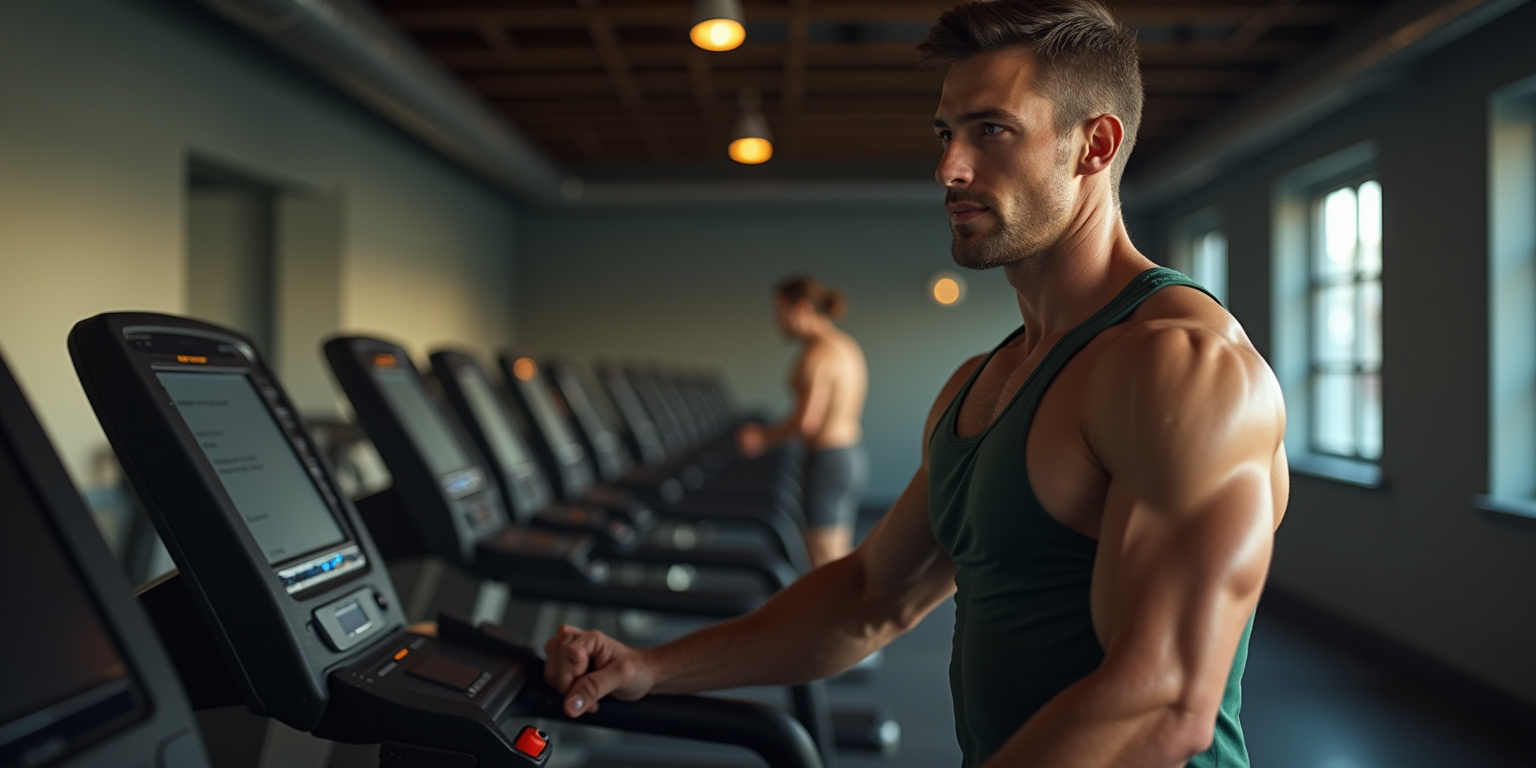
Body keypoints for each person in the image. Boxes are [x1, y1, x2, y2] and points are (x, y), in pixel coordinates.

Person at [543, 2, 1288, 766]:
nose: (949, 169)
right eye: (945, 134)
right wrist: (651, 666)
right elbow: (871, 597)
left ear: (1093, 145)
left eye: (991, 130)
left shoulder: (1183, 367)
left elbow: (1163, 703)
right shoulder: (981, 382)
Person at [735, 276, 870, 567]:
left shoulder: (817, 355)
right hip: (849, 456)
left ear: (802, 308)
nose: (778, 323)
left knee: (824, 562)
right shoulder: (845, 345)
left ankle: (844, 614)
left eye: (780, 313)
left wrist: (761, 439)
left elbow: (806, 422)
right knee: (836, 556)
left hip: (827, 461)